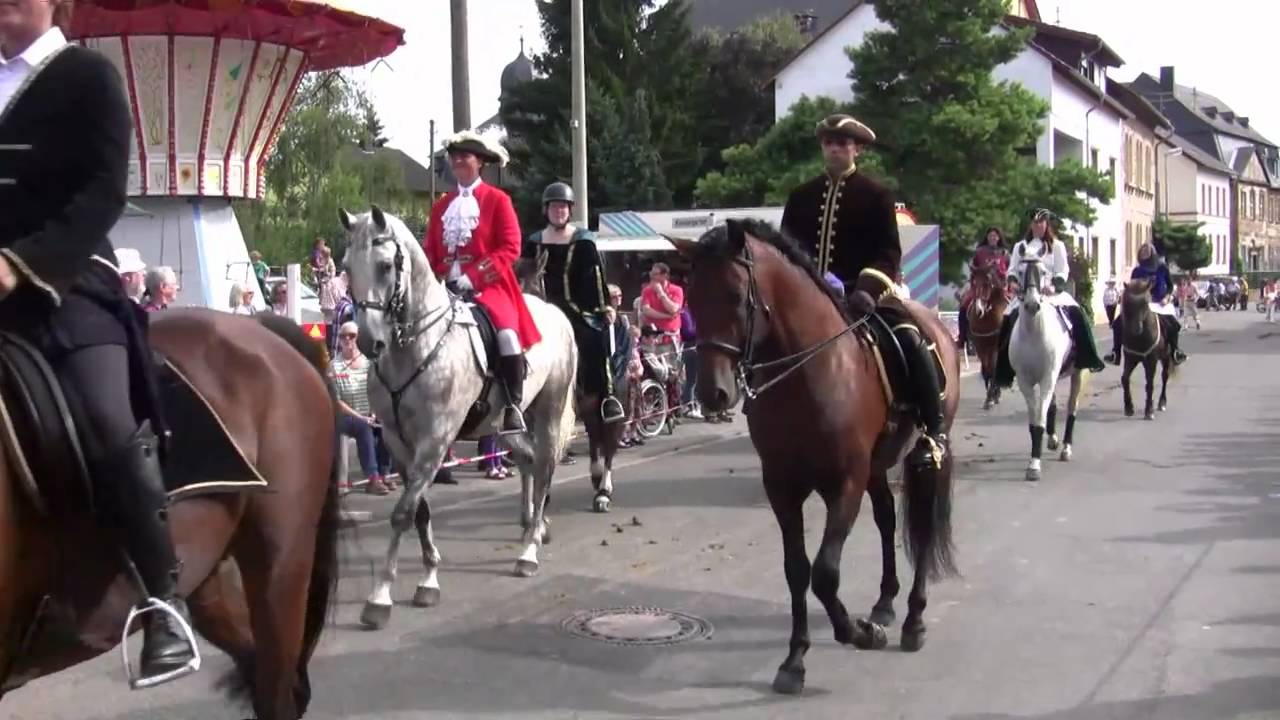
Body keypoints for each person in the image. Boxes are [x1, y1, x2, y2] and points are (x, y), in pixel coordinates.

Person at [0, 0, 195, 684]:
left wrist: (17, 263)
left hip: (65, 282)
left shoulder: (86, 76)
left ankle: (163, 601)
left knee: (106, 421)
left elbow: (103, 192)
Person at [779, 113, 947, 469]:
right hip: (811, 298)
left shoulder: (877, 195)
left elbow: (889, 253)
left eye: (842, 143)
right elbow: (785, 251)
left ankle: (933, 429)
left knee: (910, 338)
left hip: (863, 296)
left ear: (857, 149)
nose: (835, 149)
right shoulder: (800, 197)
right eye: (829, 143)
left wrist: (866, 291)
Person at [425, 131, 540, 432]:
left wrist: (473, 276)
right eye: (454, 156)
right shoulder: (441, 206)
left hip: (489, 288)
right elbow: (429, 249)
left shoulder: (498, 200)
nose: (458, 160)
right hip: (445, 289)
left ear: (480, 163)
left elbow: (510, 247)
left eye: (465, 156)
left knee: (507, 336)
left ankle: (514, 406)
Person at [520, 182, 625, 423]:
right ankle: (514, 403)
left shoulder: (583, 241)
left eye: (563, 207)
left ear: (570, 211)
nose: (559, 211)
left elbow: (595, 276)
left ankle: (607, 397)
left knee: (595, 340)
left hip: (575, 307)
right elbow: (523, 274)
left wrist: (603, 307)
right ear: (546, 210)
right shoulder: (534, 241)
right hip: (540, 305)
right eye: (555, 207)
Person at [994, 208, 1108, 386]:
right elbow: (1013, 269)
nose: (1038, 226)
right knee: (1007, 320)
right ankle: (1003, 370)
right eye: (1035, 223)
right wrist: (1013, 282)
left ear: (1046, 224)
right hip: (1026, 293)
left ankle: (1086, 356)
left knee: (1077, 314)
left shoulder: (1056, 246)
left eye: (1041, 222)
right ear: (1031, 224)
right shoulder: (1020, 247)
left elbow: (1063, 270)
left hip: (1051, 293)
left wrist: (1054, 285)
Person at [1108, 243, 1186, 365]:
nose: (1144, 253)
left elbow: (1170, 286)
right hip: (1141, 304)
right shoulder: (1137, 270)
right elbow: (1132, 288)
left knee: (1173, 323)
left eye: (1146, 250)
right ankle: (1115, 353)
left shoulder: (1162, 267)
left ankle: (1175, 351)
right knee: (1117, 323)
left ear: (1152, 252)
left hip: (1159, 303)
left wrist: (1167, 297)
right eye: (1142, 251)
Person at [956, 227, 1010, 348]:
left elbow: (1009, 271)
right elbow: (973, 268)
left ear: (999, 238)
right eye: (990, 235)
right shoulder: (979, 252)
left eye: (995, 236)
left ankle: (1011, 335)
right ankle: (962, 337)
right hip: (981, 286)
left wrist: (999, 271)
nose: (993, 238)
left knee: (1012, 305)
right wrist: (985, 268)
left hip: (999, 286)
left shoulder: (1005, 253)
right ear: (987, 237)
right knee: (964, 305)